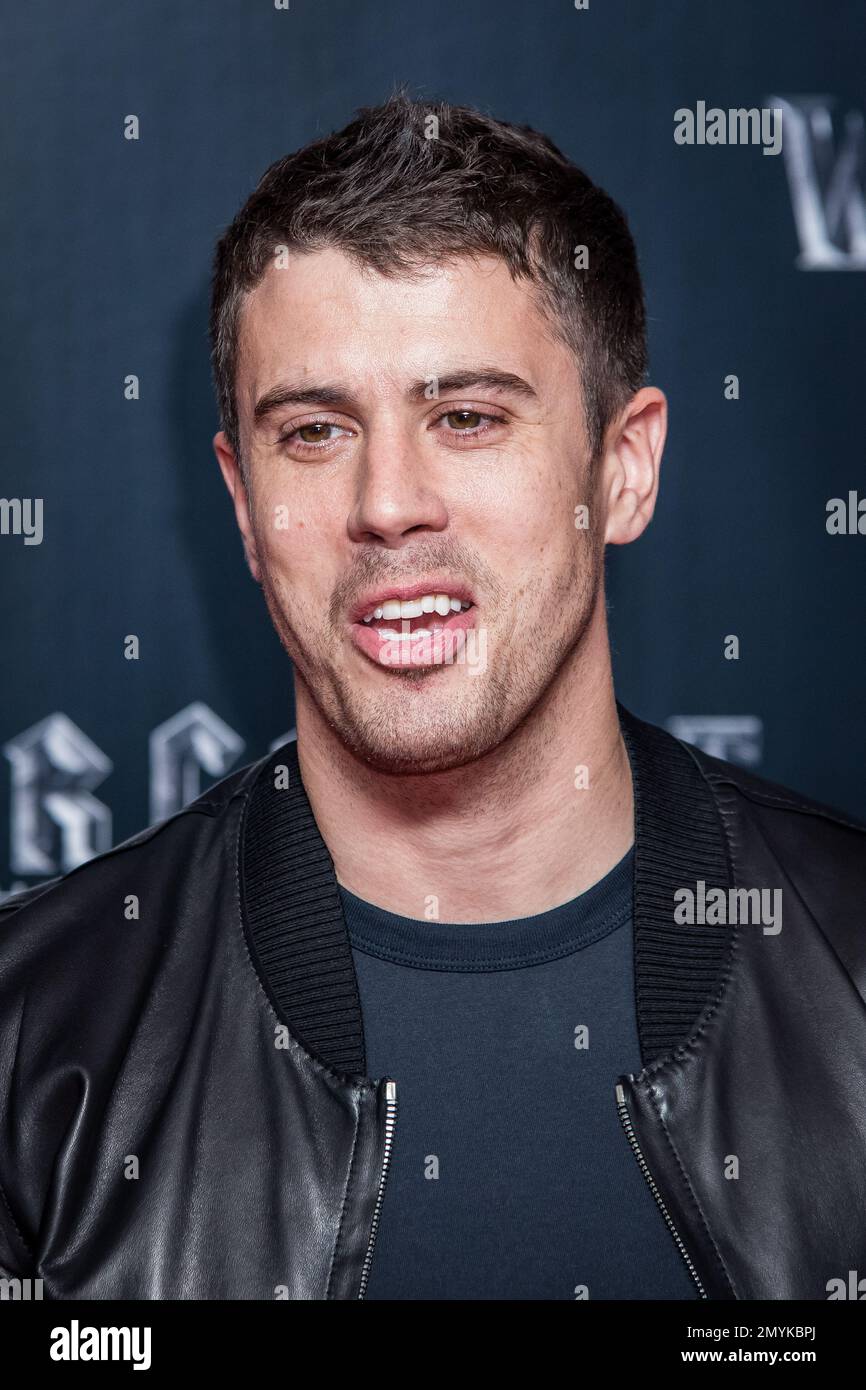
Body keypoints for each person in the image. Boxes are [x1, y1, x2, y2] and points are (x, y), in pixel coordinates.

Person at [1, 93, 864, 1302]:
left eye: (465, 417)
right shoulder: (33, 1037)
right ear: (243, 506)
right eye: (312, 431)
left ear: (621, 470)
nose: (388, 502)